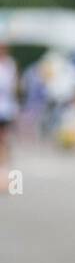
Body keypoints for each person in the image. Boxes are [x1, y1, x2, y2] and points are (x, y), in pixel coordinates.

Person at [0, 43, 19, 189]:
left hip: (5, 109)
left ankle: (10, 179)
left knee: (5, 140)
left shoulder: (10, 64)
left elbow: (14, 87)